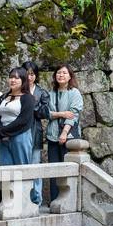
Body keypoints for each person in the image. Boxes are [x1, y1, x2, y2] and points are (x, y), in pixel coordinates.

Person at [46, 64, 83, 203]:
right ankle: (55, 201)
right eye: (59, 73)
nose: (61, 75)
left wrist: (64, 133)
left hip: (69, 137)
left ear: (70, 76)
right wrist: (61, 113)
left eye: (64, 73)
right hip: (52, 136)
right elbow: (46, 113)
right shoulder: (50, 94)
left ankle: (69, 201)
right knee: (53, 170)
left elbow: (73, 114)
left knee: (68, 170)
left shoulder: (74, 93)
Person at [0, 66, 36, 174]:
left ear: (23, 80)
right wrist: (1, 132)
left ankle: (24, 191)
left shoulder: (28, 98)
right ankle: (8, 192)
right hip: (3, 138)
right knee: (5, 171)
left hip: (20, 137)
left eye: (16, 78)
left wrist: (3, 131)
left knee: (22, 170)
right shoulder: (3, 96)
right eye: (11, 77)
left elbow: (23, 120)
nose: (13, 80)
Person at [24, 61, 51, 206]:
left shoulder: (42, 93)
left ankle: (36, 199)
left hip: (35, 131)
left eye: (32, 74)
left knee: (35, 166)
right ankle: (23, 199)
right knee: (21, 166)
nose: (29, 77)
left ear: (36, 76)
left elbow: (44, 112)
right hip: (20, 132)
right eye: (27, 74)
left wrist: (30, 107)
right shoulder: (17, 91)